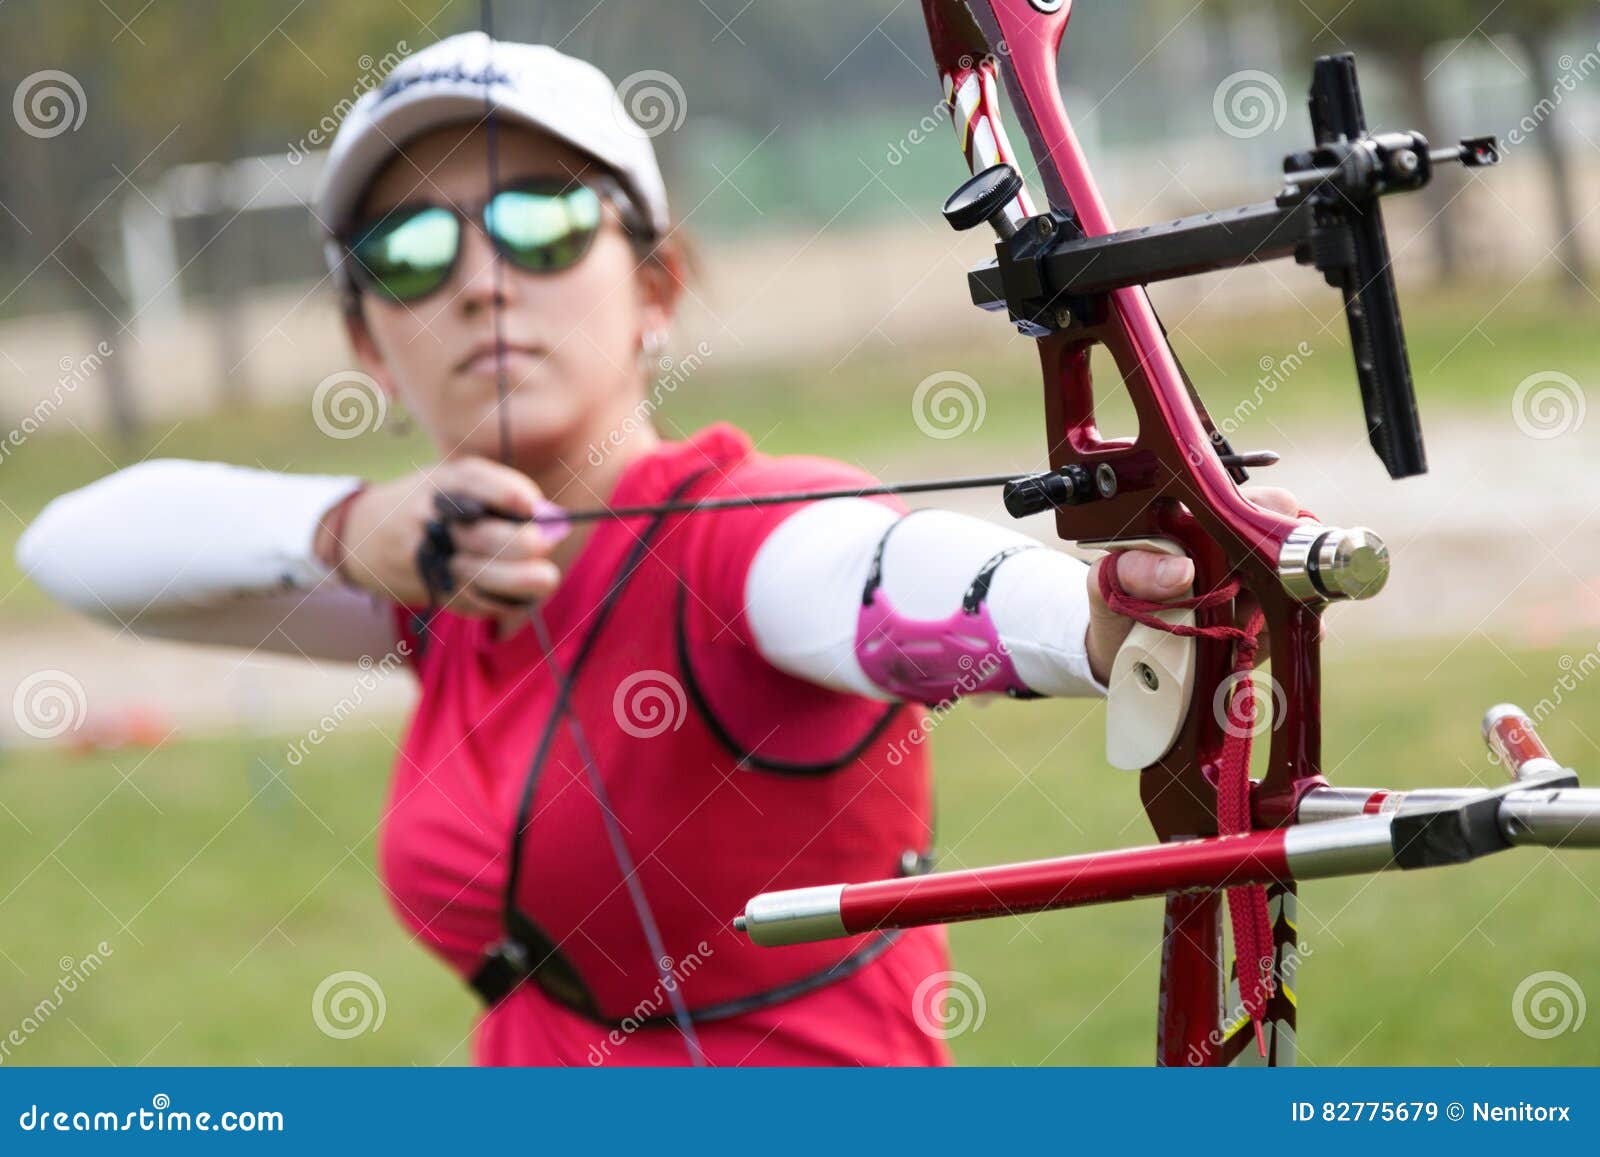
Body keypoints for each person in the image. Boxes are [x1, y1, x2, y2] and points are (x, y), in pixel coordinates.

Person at [15, 31, 1301, 1066]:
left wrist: (1089, 624)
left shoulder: (745, 543)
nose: (479, 280)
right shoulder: (434, 591)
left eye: (541, 226)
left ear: (657, 285)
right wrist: (354, 530)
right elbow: (75, 549)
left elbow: (870, 579)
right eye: (409, 251)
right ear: (367, 343)